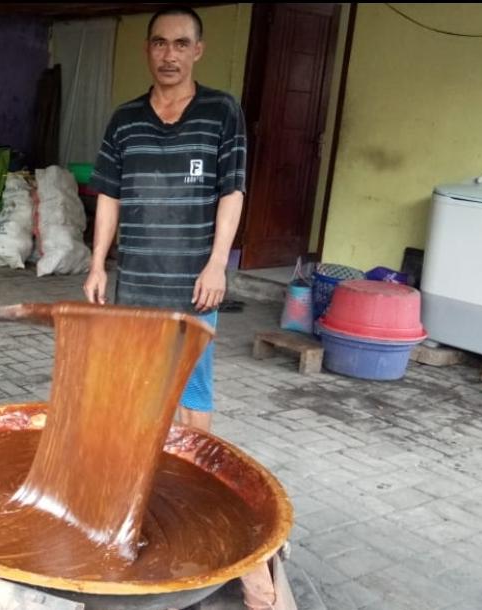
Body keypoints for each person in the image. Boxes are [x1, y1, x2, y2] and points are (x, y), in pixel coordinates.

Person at [83, 7, 288, 610]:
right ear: (148, 51)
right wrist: (98, 263)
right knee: (135, 397)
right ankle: (136, 503)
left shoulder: (222, 112)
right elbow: (108, 197)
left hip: (193, 284)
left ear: (198, 50)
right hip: (135, 286)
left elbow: (233, 191)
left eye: (181, 43)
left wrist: (219, 263)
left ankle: (190, 505)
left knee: (193, 401)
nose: (168, 54)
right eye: (159, 44)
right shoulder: (124, 120)